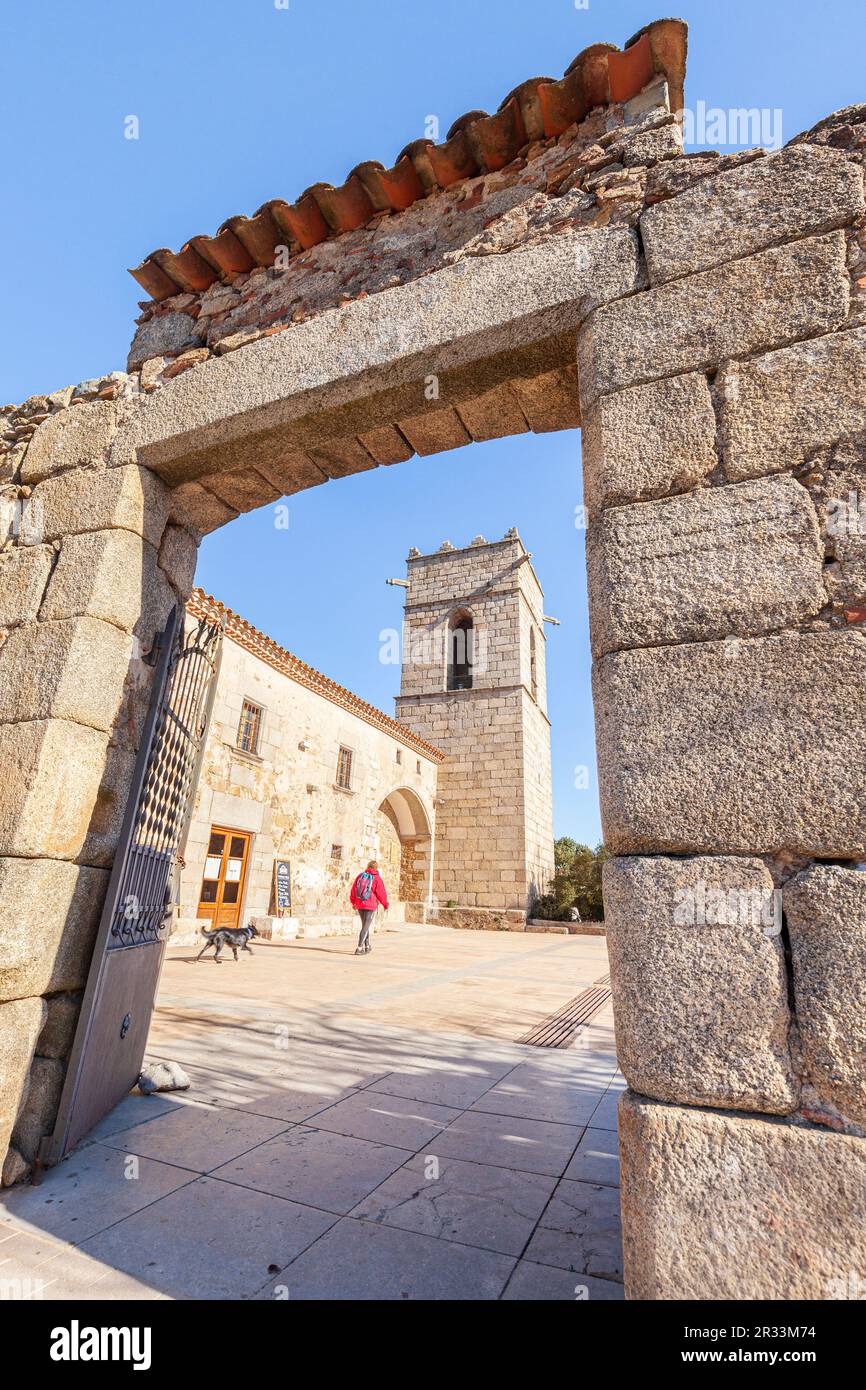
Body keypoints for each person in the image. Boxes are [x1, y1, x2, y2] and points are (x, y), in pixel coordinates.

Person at [350, 860, 388, 955]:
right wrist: (385, 904)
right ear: (376, 868)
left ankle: (367, 946)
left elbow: (354, 889)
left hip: (359, 903)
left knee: (365, 926)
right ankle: (359, 948)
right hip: (370, 905)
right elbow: (381, 893)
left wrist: (353, 901)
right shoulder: (377, 878)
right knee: (366, 926)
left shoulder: (360, 876)